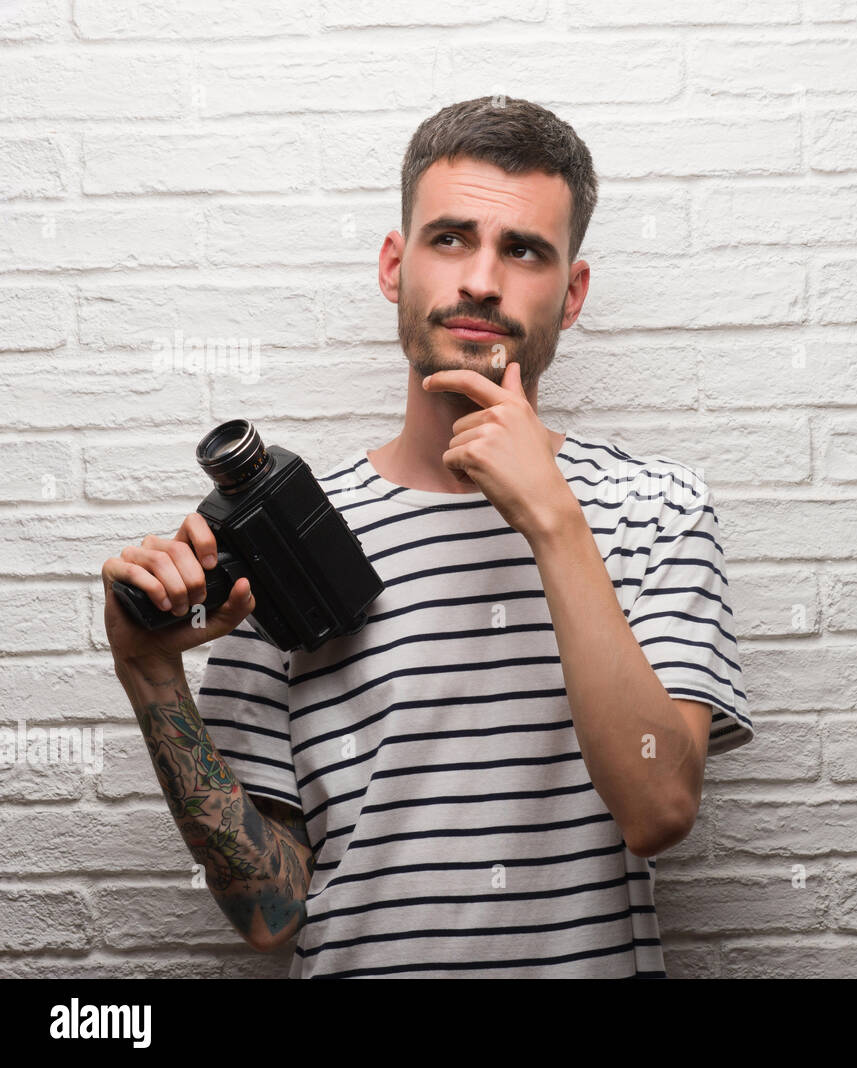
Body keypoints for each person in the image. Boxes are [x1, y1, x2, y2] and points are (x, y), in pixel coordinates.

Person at [101, 96, 753, 978]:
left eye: (524, 251)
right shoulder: (291, 532)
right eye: (451, 239)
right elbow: (272, 910)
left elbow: (659, 808)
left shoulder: (656, 508)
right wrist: (149, 672)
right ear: (393, 267)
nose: (482, 280)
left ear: (574, 290)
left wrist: (554, 520)